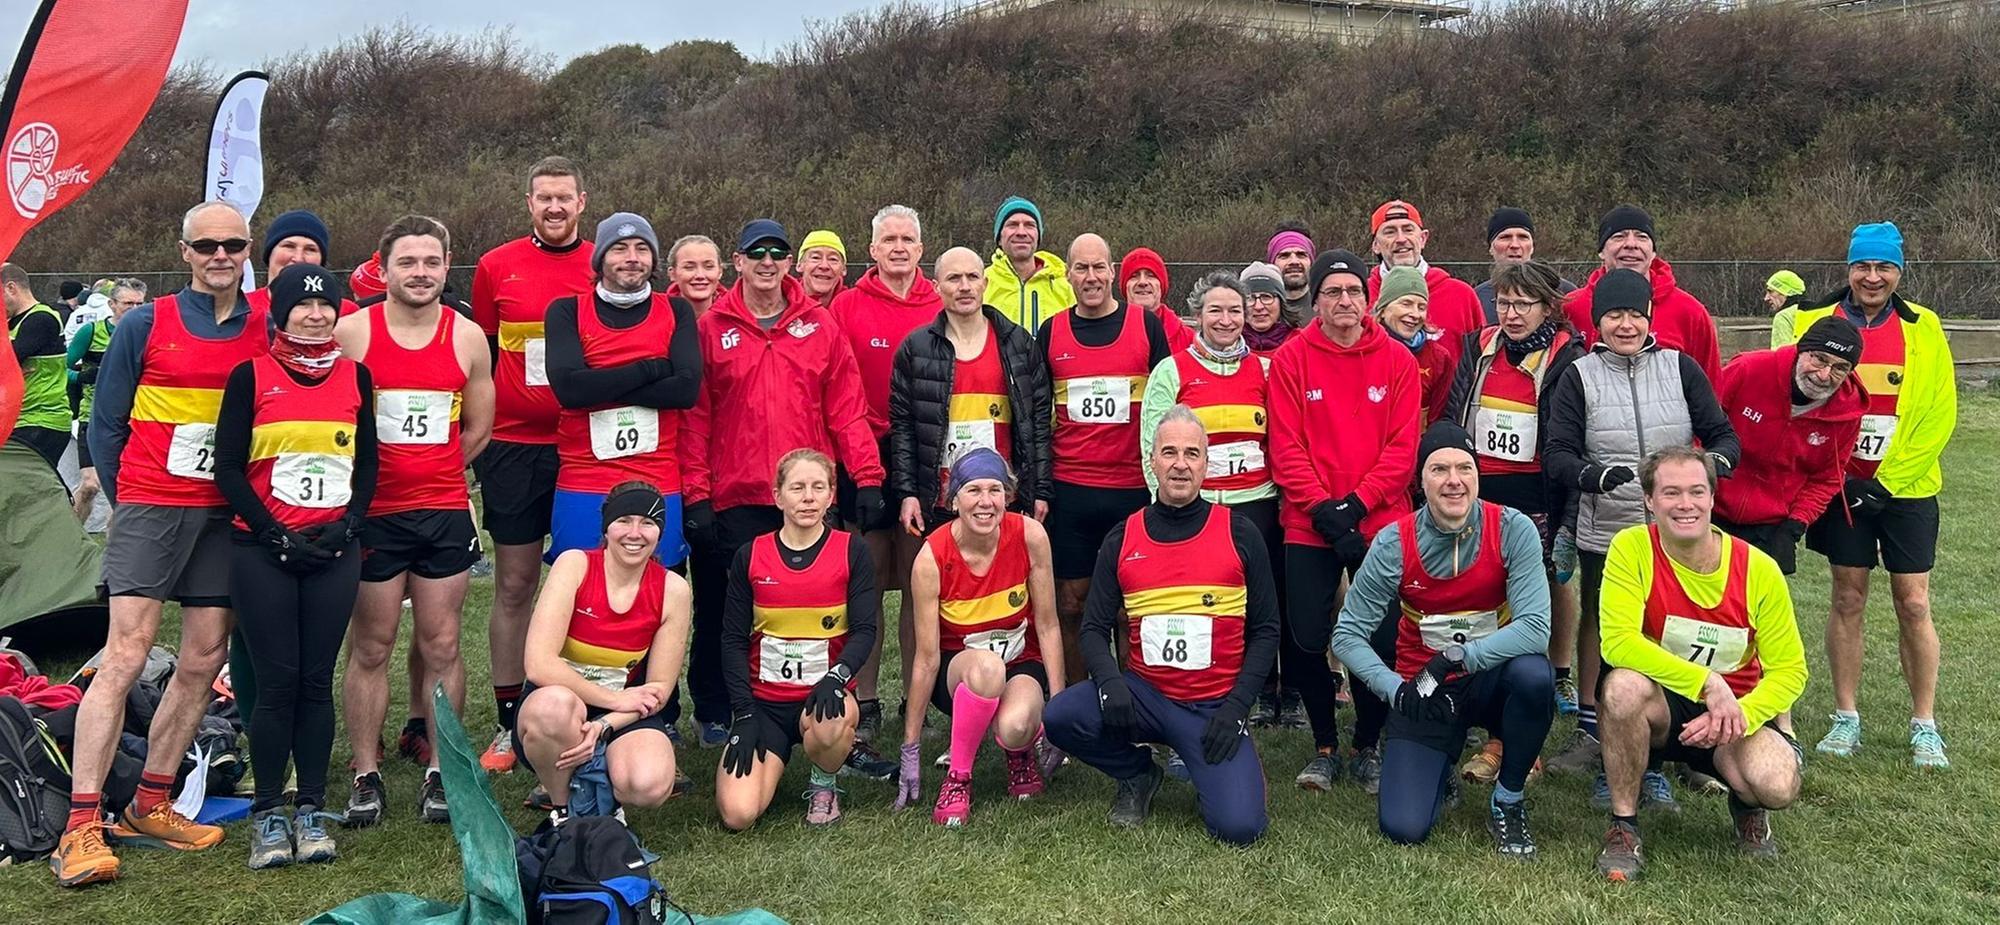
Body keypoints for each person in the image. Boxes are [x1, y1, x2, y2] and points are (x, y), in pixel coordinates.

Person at [56, 202, 268, 888]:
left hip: (220, 515)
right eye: (206, 244)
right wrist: (131, 497)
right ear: (184, 251)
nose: (220, 254)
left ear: (246, 248)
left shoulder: (265, 321)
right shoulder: (146, 321)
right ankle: (81, 825)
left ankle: (152, 801)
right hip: (153, 506)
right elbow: (106, 419)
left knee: (205, 657)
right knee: (125, 654)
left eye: (232, 243)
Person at [681, 219, 884, 748]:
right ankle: (716, 709)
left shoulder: (819, 325)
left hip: (808, 497)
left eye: (778, 253)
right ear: (738, 261)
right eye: (757, 253)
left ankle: (828, 706)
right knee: (722, 609)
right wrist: (697, 495)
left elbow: (846, 409)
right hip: (736, 496)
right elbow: (697, 418)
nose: (767, 262)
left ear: (789, 262)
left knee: (821, 605)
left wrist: (866, 477)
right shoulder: (711, 329)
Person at [1541, 267, 1740, 799]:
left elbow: (1721, 434)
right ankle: (1602, 737)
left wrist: (1712, 466)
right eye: (1613, 315)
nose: (1625, 325)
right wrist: (1590, 475)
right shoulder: (1578, 376)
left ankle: (1675, 747)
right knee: (1609, 636)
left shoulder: (1681, 367)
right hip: (1606, 531)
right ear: (1597, 320)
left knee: (1673, 632)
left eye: (1634, 313)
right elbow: (1557, 453)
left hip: (1678, 532)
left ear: (1649, 316)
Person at [1042, 407, 1279, 845]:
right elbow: (1093, 628)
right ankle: (1137, 773)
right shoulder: (1123, 536)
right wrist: (1110, 682)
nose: (1180, 464)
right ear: (1151, 461)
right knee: (1060, 716)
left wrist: (1237, 707)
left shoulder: (1241, 534)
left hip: (1212, 708)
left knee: (1240, 828)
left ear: (1206, 464)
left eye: (1192, 453)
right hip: (1145, 698)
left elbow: (1266, 631)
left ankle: (1216, 763)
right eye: (1169, 452)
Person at [211, 264, 377, 870]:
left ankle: (310, 807)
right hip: (263, 552)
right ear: (279, 313)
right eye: (302, 306)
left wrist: (347, 527)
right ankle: (267, 813)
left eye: (325, 306)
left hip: (333, 549)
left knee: (315, 681)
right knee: (276, 684)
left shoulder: (356, 376)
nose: (315, 315)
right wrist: (273, 534)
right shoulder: (250, 375)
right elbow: (228, 468)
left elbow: (367, 466)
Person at [334, 215, 495, 826]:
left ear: (447, 263)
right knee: (371, 645)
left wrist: (435, 468)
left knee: (443, 642)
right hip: (374, 515)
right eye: (408, 262)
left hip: (443, 511)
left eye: (432, 262)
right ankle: (365, 772)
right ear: (383, 268)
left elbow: (479, 425)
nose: (421, 273)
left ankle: (441, 771)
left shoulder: (468, 337)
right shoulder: (353, 333)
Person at [1332, 422, 1554, 856]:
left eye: (1464, 468)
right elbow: (1347, 633)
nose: (1454, 480)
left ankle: (1508, 799)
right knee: (1404, 827)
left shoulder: (1513, 528)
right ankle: (1442, 761)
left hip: (1491, 676)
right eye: (1439, 470)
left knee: (1535, 676)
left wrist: (1457, 657)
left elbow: (1534, 628)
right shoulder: (1393, 542)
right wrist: (1396, 691)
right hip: (1423, 689)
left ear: (1477, 475)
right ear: (1420, 481)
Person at [1594, 447, 1806, 881]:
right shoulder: (1632, 548)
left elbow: (1790, 670)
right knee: (1621, 687)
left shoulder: (1758, 569)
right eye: (1670, 492)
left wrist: (1741, 716)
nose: (1684, 504)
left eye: (1696, 491)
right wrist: (1706, 683)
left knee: (1779, 784)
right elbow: (1617, 642)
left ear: (1712, 497)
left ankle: (1747, 808)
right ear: (1650, 501)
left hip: (1733, 718)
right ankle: (1624, 825)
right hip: (1661, 709)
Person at [1791, 222, 1957, 769]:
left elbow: (1937, 415)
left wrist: (1887, 484)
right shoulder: (1813, 322)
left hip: (1904, 490)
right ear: (1848, 269)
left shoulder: (1924, 327)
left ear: (1899, 272)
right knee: (1848, 597)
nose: (1872, 277)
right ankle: (1845, 716)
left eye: (1883, 267)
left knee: (1913, 602)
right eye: (1863, 266)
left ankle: (1925, 723)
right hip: (1841, 490)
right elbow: (1795, 398)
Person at [1269, 249, 1421, 795]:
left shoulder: (1398, 361)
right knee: (1307, 638)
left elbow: (1403, 450)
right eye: (1331, 292)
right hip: (1309, 522)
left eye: (1353, 291)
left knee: (1380, 641)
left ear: (1367, 298)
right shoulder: (1291, 359)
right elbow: (1285, 446)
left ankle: (1368, 745)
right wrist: (1326, 513)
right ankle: (1325, 745)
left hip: (1378, 524)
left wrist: (1355, 508)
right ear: (1316, 302)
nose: (1343, 301)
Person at [470, 156, 596, 773]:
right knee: (516, 583)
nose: (553, 207)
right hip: (514, 446)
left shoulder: (603, 263)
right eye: (542, 197)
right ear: (529, 202)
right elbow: (483, 359)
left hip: (584, 445)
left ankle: (586, 711)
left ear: (581, 202)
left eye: (563, 198)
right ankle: (508, 719)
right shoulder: (496, 267)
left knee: (586, 585)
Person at [887, 247, 1050, 704]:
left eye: (972, 277)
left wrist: (1038, 488)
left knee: (1008, 601)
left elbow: (1036, 421)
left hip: (1001, 498)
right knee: (943, 611)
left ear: (985, 283)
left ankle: (1017, 703)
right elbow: (902, 425)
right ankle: (949, 703)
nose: (964, 286)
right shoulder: (917, 348)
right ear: (936, 286)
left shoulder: (1017, 343)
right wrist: (906, 492)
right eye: (953, 278)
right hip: (940, 501)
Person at [1441, 260, 1587, 769]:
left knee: (1527, 617)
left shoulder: (1569, 357)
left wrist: (1565, 522)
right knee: (1481, 608)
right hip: (1477, 498)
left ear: (1549, 306)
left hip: (1537, 505)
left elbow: (1571, 443)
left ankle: (1516, 737)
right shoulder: (1477, 347)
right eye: (1504, 303)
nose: (1511, 314)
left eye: (1524, 304)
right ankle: (1468, 715)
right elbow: (1454, 413)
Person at [1138, 271, 1289, 727]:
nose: (1226, 320)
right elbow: (1152, 446)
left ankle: (1273, 692)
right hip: (1197, 510)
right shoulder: (1172, 370)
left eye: (1235, 311)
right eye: (1216, 310)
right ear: (1198, 315)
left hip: (1257, 504)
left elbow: (1282, 439)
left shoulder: (1266, 369)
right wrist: (1167, 507)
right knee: (1210, 605)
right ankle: (1208, 690)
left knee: (1264, 601)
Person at [1037, 233, 1174, 683]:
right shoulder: (1051, 331)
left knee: (1129, 605)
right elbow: (1038, 416)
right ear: (1068, 274)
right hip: (1071, 487)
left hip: (1132, 487)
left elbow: (1167, 406)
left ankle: (1134, 701)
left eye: (1099, 268)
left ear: (1112, 272)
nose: (1091, 277)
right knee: (1071, 602)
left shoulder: (1146, 326)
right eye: (1081, 268)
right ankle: (1082, 702)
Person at [715, 450, 878, 829]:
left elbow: (865, 629)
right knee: (738, 815)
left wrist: (836, 677)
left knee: (830, 721)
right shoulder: (750, 555)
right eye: (798, 488)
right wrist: (743, 714)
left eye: (818, 487)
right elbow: (733, 641)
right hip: (765, 704)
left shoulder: (851, 550)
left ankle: (824, 784)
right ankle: (774, 755)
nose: (808, 497)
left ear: (831, 495)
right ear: (777, 496)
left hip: (823, 695)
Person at [899, 449, 1063, 825]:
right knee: (987, 668)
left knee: (1017, 725)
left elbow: (1049, 624)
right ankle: (958, 778)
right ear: (953, 499)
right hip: (959, 675)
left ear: (1008, 496)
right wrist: (911, 744)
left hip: (1021, 661)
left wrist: (1058, 711)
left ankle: (1019, 755)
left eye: (996, 490)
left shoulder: (1030, 535)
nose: (986, 502)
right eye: (973, 491)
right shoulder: (931, 557)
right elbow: (925, 658)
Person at [832, 204, 943, 751]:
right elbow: (837, 388)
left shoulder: (940, 303)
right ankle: (867, 697)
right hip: (865, 455)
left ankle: (914, 697)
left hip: (924, 454)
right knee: (869, 579)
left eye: (908, 239)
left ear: (922, 249)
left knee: (920, 578)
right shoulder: (847, 306)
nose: (899, 248)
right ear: (872, 250)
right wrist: (861, 465)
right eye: (888, 240)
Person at [518, 482, 693, 824]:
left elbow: (658, 689)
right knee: (555, 706)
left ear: (660, 532)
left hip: (622, 713)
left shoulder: (673, 589)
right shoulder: (574, 565)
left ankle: (603, 795)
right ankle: (563, 810)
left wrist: (604, 725)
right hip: (554, 705)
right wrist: (612, 700)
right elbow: (539, 664)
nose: (635, 533)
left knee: (650, 784)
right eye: (624, 520)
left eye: (648, 523)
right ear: (606, 527)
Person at [544, 213, 700, 564]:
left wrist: (597, 383)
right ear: (600, 259)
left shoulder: (676, 310)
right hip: (585, 476)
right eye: (620, 248)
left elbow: (685, 391)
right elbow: (569, 390)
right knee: (580, 588)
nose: (632, 257)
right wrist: (653, 370)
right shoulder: (566, 311)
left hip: (657, 475)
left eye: (642, 248)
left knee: (660, 590)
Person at [1714, 316, 1865, 576]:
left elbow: (1826, 478)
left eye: (1840, 368)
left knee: (1755, 612)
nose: (1824, 374)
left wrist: (1796, 524)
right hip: (1709, 508)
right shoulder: (1749, 369)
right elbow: (1699, 426)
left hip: (1770, 524)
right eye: (1819, 358)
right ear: (1800, 349)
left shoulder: (1848, 414)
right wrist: (1696, 488)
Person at [1563, 204, 1722, 383]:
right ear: (1601, 251)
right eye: (1619, 236)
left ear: (1653, 251)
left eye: (1642, 237)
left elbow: (1711, 388)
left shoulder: (1690, 312)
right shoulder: (1569, 307)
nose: (1631, 244)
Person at [68, 279, 147, 523]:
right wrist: (82, 376)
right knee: (91, 485)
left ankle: (114, 552)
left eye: (140, 304)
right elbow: (60, 367)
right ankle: (72, 538)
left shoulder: (150, 335)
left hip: (133, 419)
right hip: (92, 417)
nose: (134, 310)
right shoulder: (91, 332)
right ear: (112, 304)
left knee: (123, 492)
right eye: (128, 304)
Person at [1366, 200, 1481, 346]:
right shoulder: (1359, 297)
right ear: (1376, 245)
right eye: (1390, 232)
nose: (1401, 239)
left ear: (1423, 238)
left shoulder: (1461, 295)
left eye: (1408, 230)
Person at [3, 261, 71, 469]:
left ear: (11, 288)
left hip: (42, 420)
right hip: (20, 420)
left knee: (25, 490)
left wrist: (10, 371)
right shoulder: (10, 323)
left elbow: (6, 362)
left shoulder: (41, 319)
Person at [1372, 264, 1455, 425]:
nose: (1415, 314)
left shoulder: (1438, 358)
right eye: (1406, 303)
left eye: (1421, 307)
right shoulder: (1361, 349)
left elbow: (1438, 418)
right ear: (1383, 308)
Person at [242, 210, 361, 317]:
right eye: (289, 246)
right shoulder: (241, 309)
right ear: (269, 253)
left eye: (310, 249)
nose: (298, 258)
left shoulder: (346, 313)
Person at [984, 196, 1075, 334]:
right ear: (999, 238)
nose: (1021, 232)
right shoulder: (982, 284)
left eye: (1030, 225)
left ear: (1038, 236)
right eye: (1012, 225)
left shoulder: (1065, 283)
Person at [1474, 207, 1576, 325]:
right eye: (1505, 237)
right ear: (1491, 247)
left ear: (1532, 246)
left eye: (1523, 237)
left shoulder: (1565, 293)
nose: (1515, 245)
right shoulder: (1477, 298)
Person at [1118, 246, 1193, 352]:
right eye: (1134, 276)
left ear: (1162, 285)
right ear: (1124, 287)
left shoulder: (1189, 340)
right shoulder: (1109, 334)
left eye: (1151, 275)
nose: (1142, 282)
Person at [1239, 261, 1296, 356]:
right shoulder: (1227, 344)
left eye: (1266, 297)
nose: (1258, 306)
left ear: (1281, 302)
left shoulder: (1301, 342)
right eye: (1250, 298)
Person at [1267, 223, 1316, 322]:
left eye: (1301, 255)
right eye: (1284, 256)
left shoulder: (1326, 308)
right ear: (1272, 262)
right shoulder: (1258, 310)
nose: (1294, 261)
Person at [666, 234, 723, 318]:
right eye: (689, 267)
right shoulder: (657, 317)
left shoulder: (737, 316)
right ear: (673, 274)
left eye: (709, 267)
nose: (700, 275)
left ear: (720, 272)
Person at [797, 229, 848, 307]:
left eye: (832, 259)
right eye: (816, 258)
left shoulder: (854, 306)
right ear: (800, 265)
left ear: (843, 269)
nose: (824, 266)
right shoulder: (781, 303)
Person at [1763, 269, 1810, 349]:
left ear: (1785, 292)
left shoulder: (1783, 316)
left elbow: (1782, 355)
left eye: (1771, 291)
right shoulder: (1816, 311)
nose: (1766, 298)